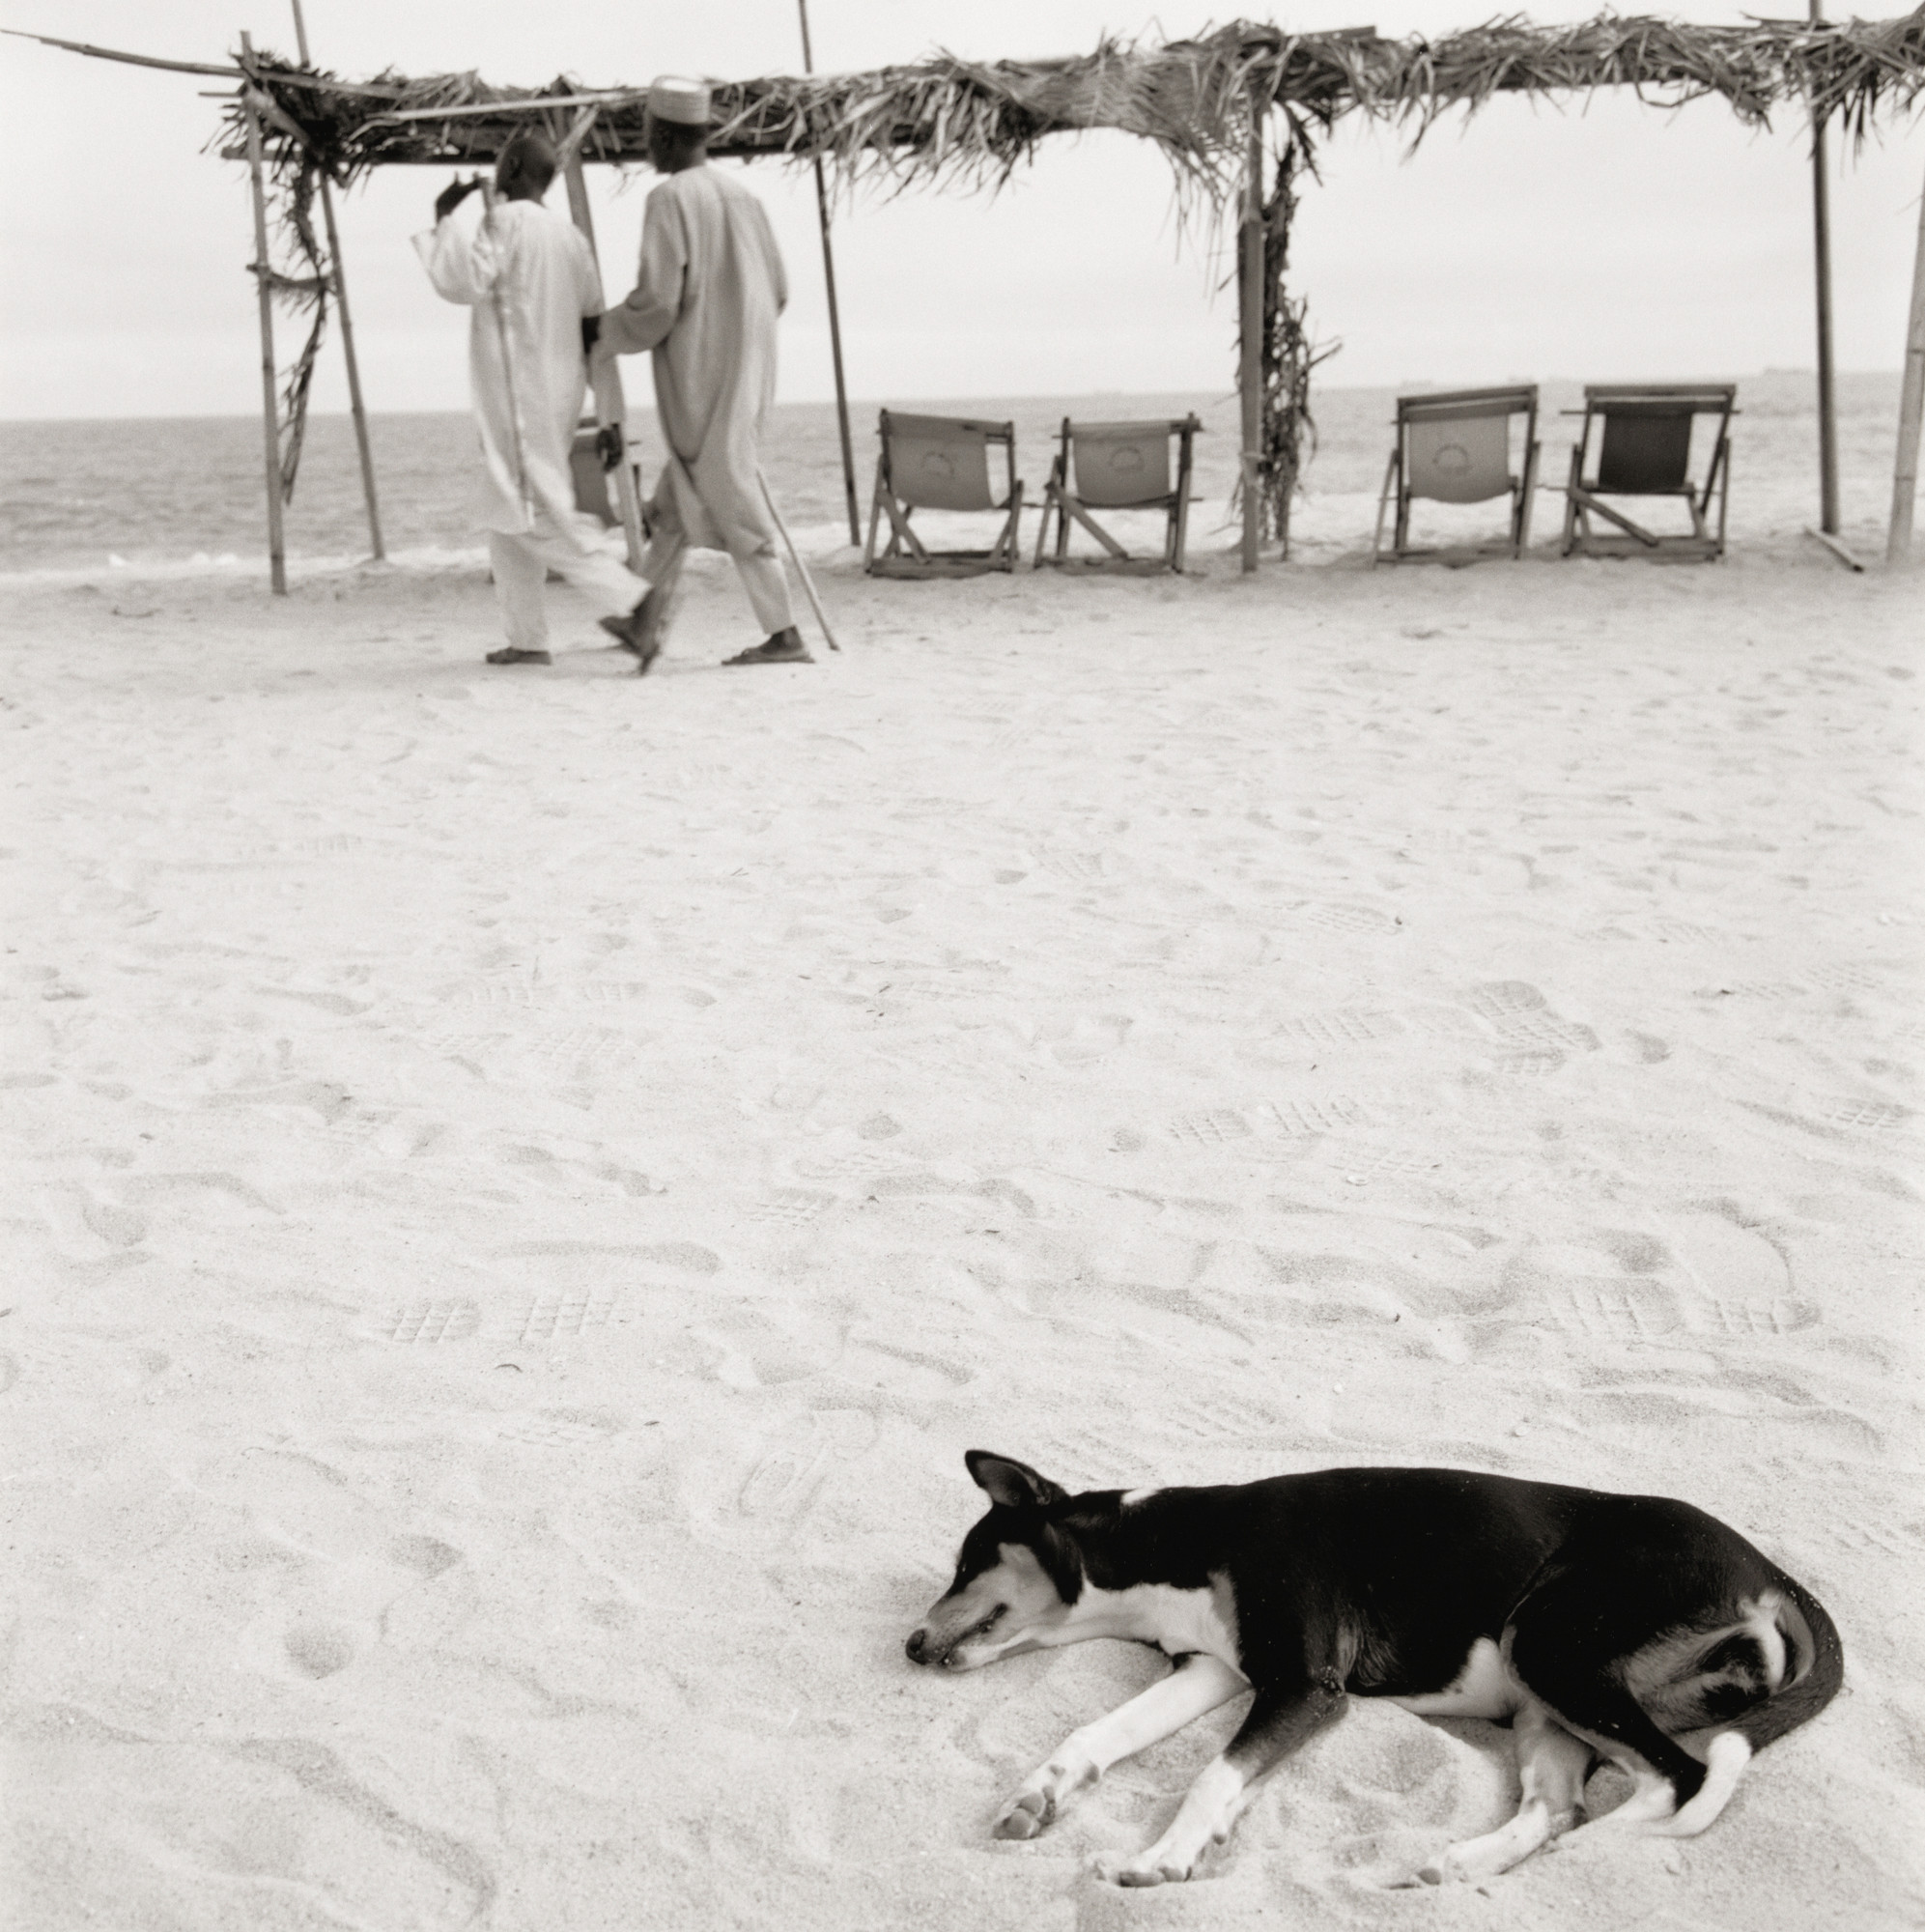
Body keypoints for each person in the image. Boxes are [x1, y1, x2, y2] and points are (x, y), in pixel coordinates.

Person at [592, 76, 809, 670]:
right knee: (679, 499)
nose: (646, 147)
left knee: (731, 495)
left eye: (647, 135)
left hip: (701, 376)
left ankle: (786, 633)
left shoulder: (669, 200)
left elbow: (658, 304)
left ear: (664, 135)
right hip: (752, 371)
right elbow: (780, 291)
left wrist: (603, 331)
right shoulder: (745, 198)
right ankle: (643, 616)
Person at [415, 130, 651, 668]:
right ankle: (527, 639)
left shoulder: (503, 222)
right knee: (507, 515)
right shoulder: (572, 239)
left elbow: (461, 282)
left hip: (518, 398)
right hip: (559, 395)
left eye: (501, 161)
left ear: (515, 166)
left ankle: (637, 603)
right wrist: (611, 414)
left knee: (536, 516)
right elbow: (596, 332)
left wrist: (444, 215)